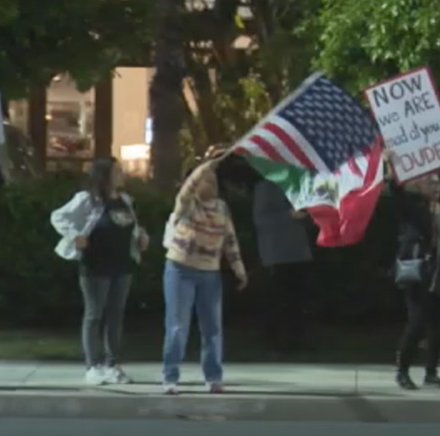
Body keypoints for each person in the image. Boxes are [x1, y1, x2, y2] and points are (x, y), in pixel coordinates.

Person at [51, 158, 149, 385]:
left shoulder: (124, 200)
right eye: (116, 171)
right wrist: (75, 235)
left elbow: (131, 226)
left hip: (122, 265)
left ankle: (112, 364)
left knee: (116, 316)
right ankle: (92, 366)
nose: (121, 174)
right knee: (94, 314)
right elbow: (58, 216)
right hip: (95, 265)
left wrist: (141, 237)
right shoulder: (87, 200)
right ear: (104, 175)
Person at [161, 157, 248, 395]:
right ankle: (170, 377)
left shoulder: (221, 207)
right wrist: (206, 165)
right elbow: (185, 192)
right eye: (207, 180)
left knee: (212, 328)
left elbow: (229, 240)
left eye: (214, 179)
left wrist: (238, 268)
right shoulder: (188, 205)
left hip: (210, 273)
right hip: (181, 270)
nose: (212, 183)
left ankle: (213, 377)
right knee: (178, 327)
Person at [388, 170, 440, 390]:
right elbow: (398, 196)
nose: (435, 185)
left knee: (439, 327)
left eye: (437, 182)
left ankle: (431, 373)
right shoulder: (414, 209)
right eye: (430, 182)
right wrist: (393, 174)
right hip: (420, 273)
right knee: (416, 323)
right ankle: (402, 371)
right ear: (419, 186)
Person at [252, 177, 314, 353]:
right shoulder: (265, 187)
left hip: (299, 251)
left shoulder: (298, 185)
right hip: (276, 253)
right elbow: (261, 219)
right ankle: (274, 340)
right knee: (277, 299)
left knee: (298, 300)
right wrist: (289, 215)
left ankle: (298, 339)